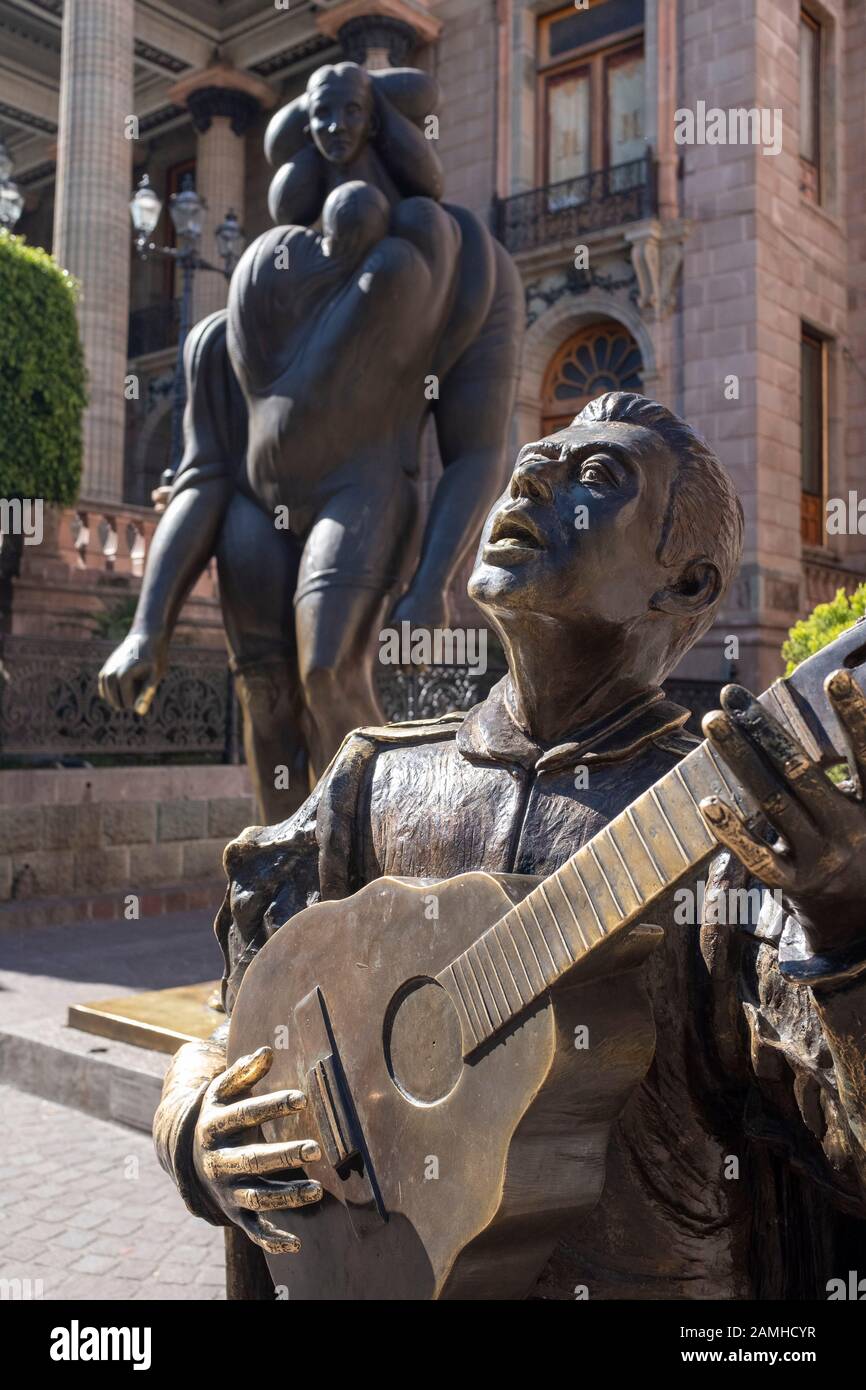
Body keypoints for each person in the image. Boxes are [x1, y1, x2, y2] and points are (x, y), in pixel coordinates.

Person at [153, 392, 866, 1298]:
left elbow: (847, 1154)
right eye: (536, 456)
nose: (530, 475)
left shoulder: (736, 828)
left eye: (596, 477)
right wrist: (190, 1126)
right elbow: (236, 1032)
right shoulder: (369, 781)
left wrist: (846, 936)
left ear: (684, 584)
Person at [98, 61, 523, 819]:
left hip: (363, 491)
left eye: (349, 110)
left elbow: (478, 450)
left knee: (329, 673)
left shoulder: (464, 262)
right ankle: (281, 882)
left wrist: (435, 582)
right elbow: (205, 475)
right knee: (264, 693)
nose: (334, 127)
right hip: (253, 513)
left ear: (374, 118)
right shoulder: (233, 312)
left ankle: (374, 873)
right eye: (321, 114)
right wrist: (145, 627)